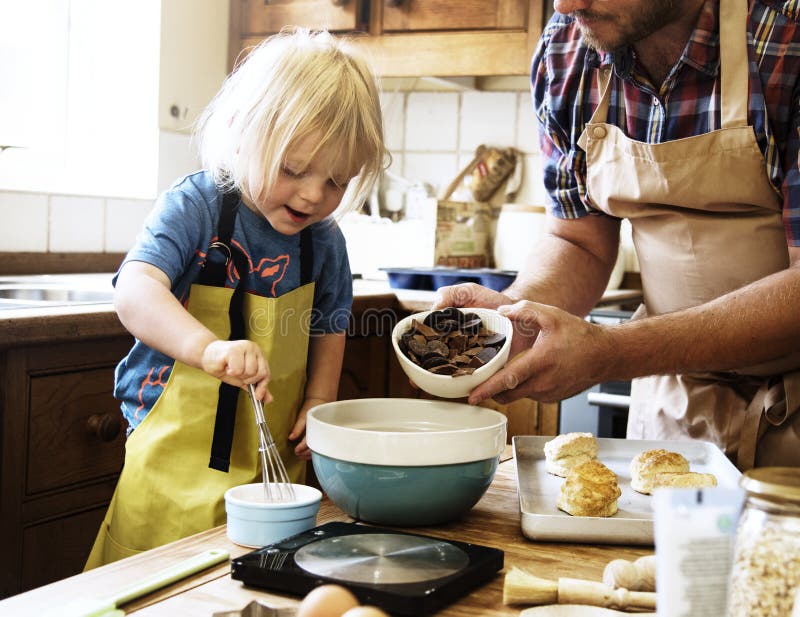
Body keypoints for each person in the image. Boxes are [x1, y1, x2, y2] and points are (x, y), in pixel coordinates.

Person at [435, 0, 800, 471]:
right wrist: (515, 317)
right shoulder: (568, 47)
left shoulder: (785, 40)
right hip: (676, 412)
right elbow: (578, 240)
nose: (566, 4)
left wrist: (611, 353)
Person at [85, 27, 387, 568]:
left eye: (337, 181)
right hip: (171, 464)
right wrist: (208, 350)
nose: (314, 195)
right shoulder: (196, 207)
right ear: (240, 134)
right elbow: (134, 293)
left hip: (272, 465)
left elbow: (330, 327)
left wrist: (318, 400)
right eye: (293, 170)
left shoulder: (325, 240)